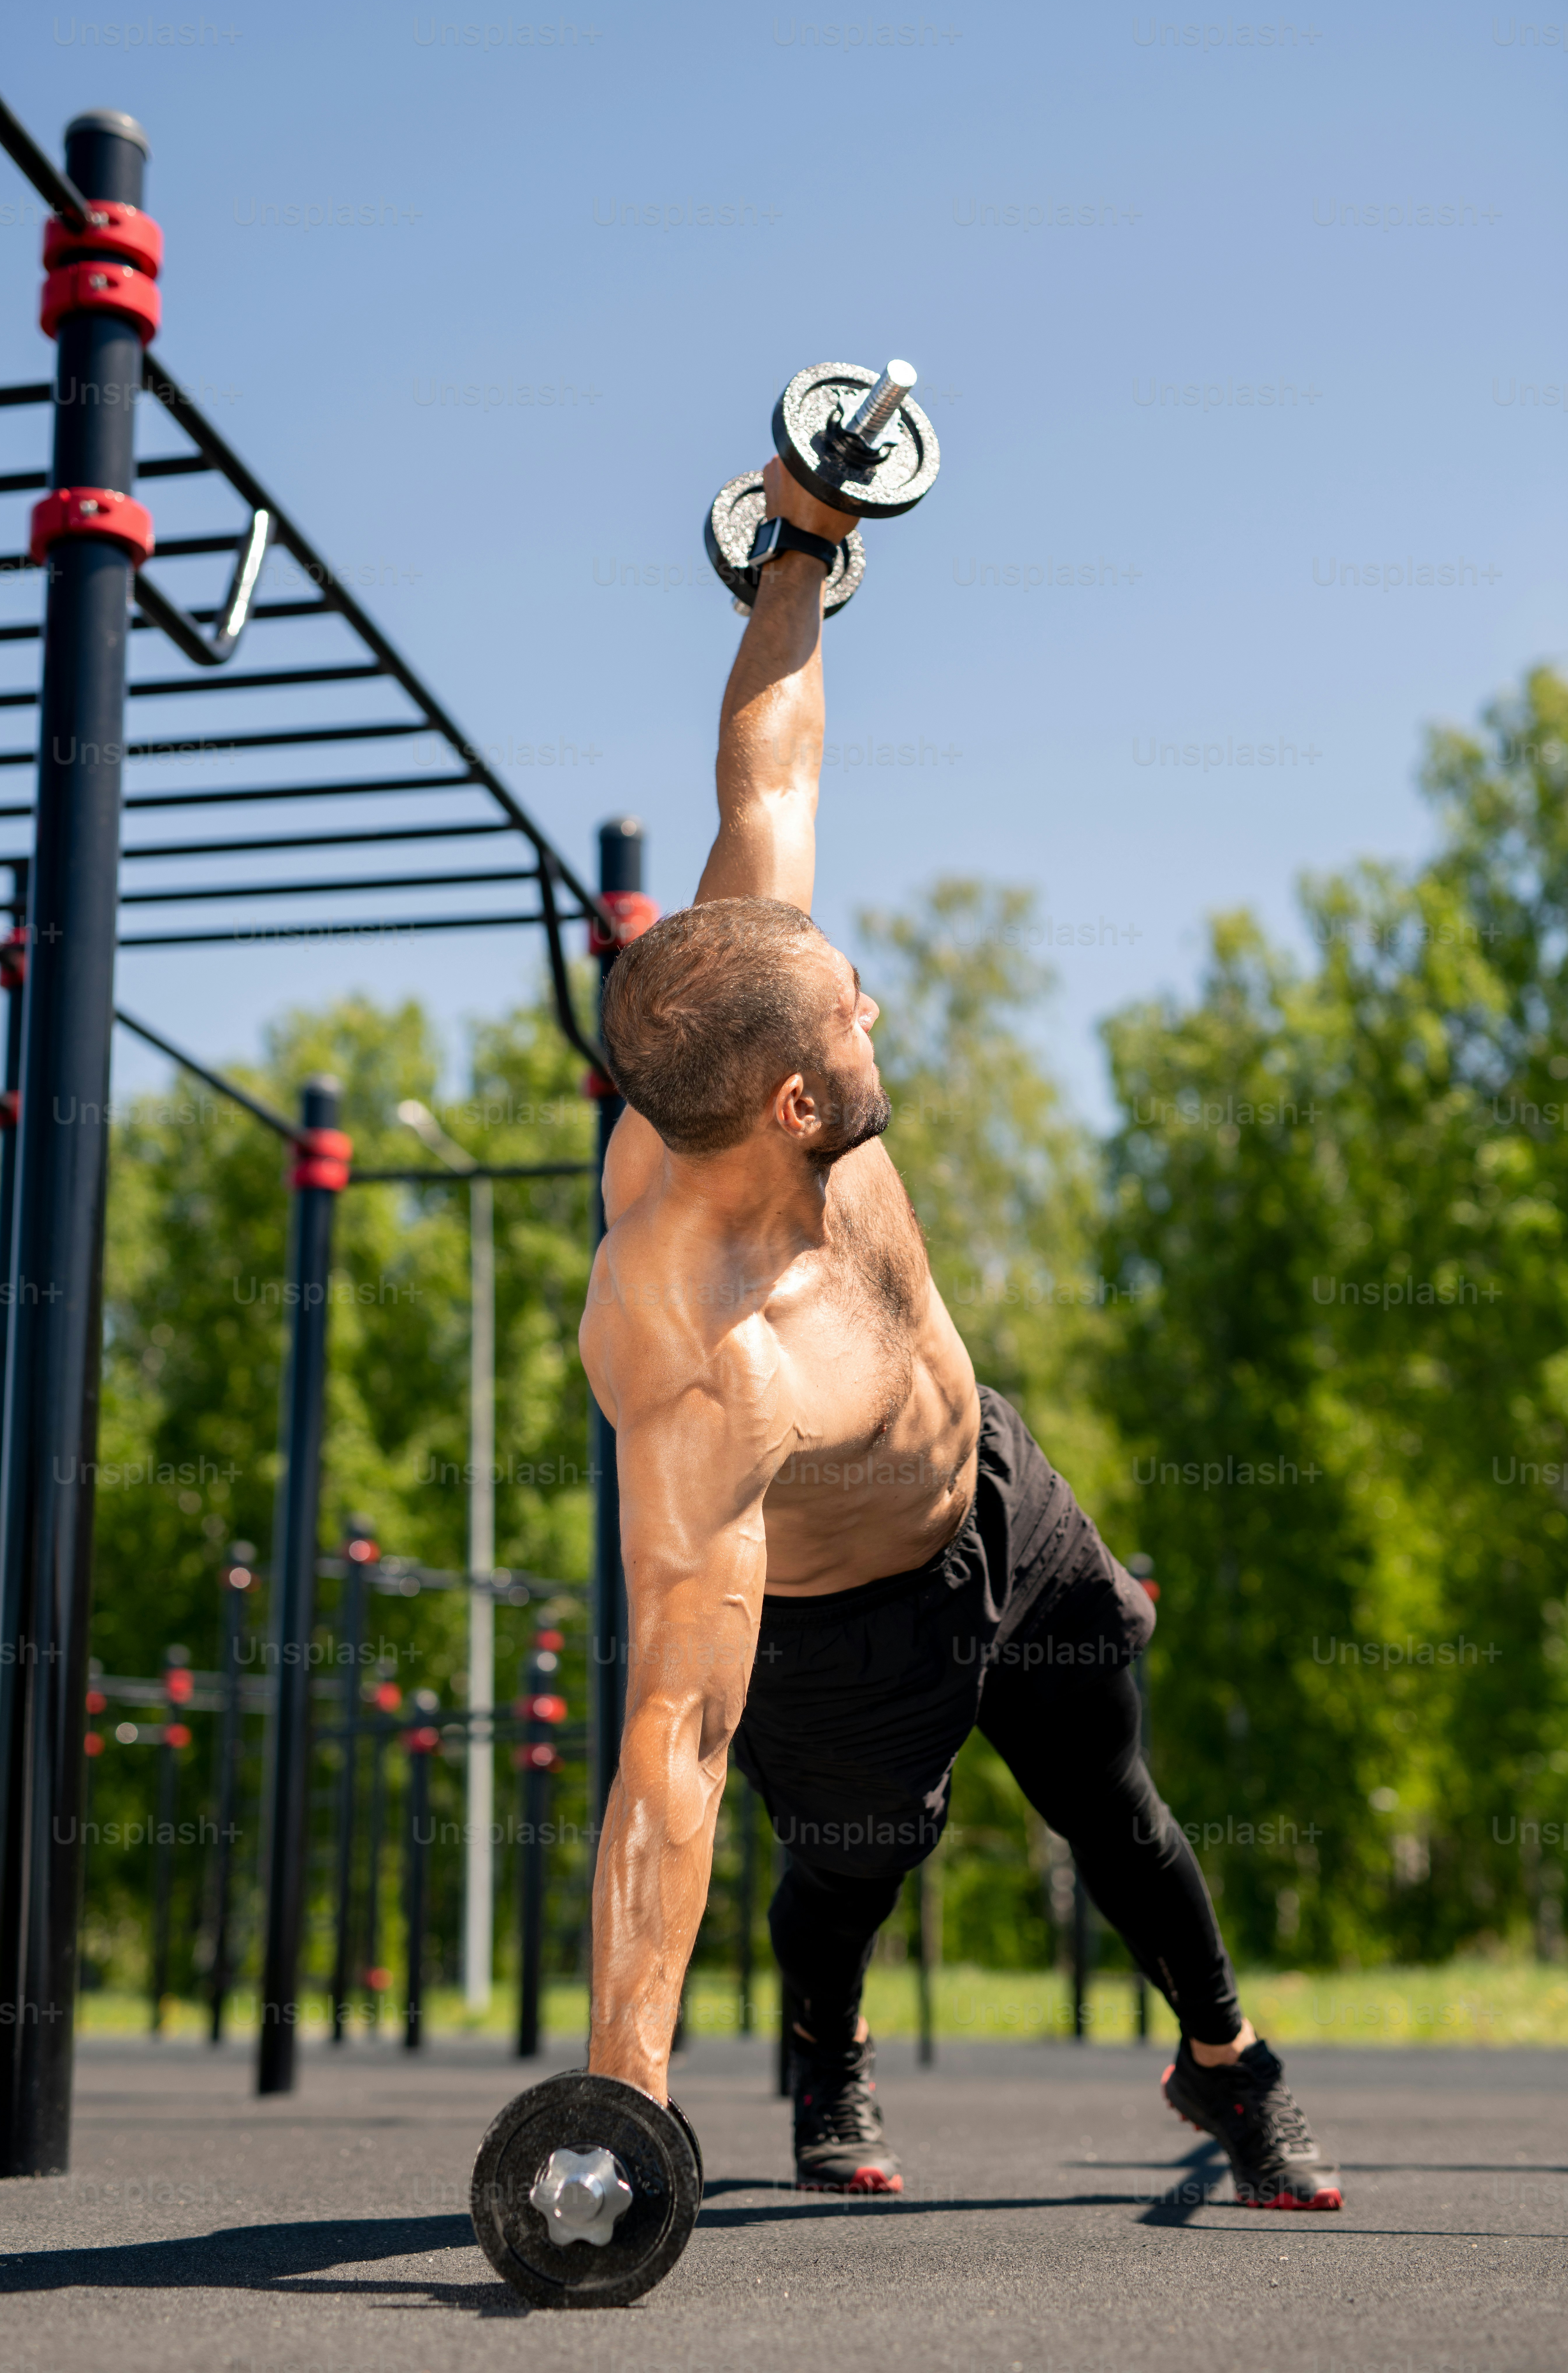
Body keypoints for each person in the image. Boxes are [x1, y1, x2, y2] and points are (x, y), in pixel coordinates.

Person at [577, 454, 1342, 2212]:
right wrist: (624, 2088)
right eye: (852, 1018)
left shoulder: (745, 976)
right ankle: (822, 2057)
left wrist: (804, 541)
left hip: (997, 1492)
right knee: (854, 1866)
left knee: (1124, 1820)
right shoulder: (704, 1357)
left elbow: (768, 761)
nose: (874, 1007)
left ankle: (1225, 2062)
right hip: (840, 1628)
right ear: (785, 1105)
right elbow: (676, 1744)